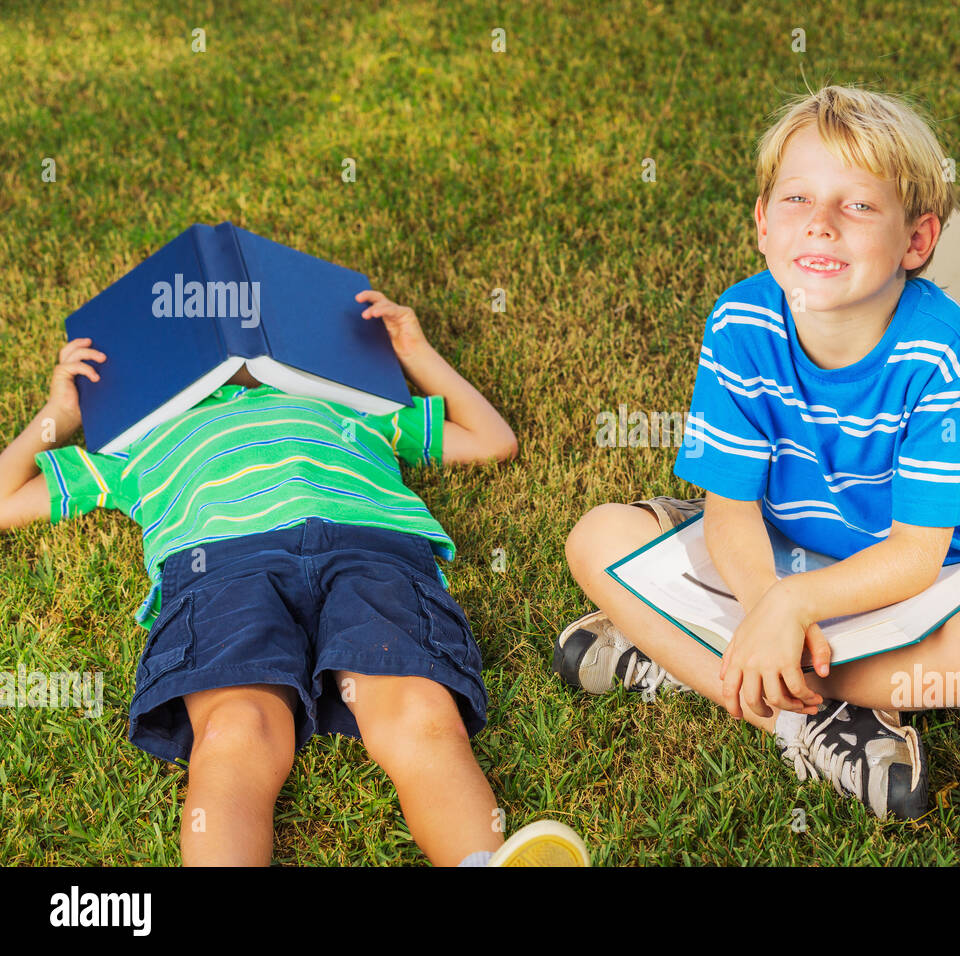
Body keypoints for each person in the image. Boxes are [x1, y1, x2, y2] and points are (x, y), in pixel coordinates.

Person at [555, 86, 960, 819]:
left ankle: (684, 661)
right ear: (762, 224)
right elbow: (729, 513)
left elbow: (918, 555)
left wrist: (791, 608)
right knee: (596, 538)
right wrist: (768, 607)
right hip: (778, 548)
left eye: (856, 206)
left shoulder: (943, 354)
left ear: (916, 241)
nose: (819, 225)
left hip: (931, 578)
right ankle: (803, 714)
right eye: (795, 200)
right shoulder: (741, 321)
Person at [0, 290, 588, 867]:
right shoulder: (138, 438)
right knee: (236, 732)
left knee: (418, 713)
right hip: (219, 568)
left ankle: (477, 860)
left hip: (372, 552)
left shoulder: (350, 401)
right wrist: (58, 417)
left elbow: (493, 441)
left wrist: (417, 355)